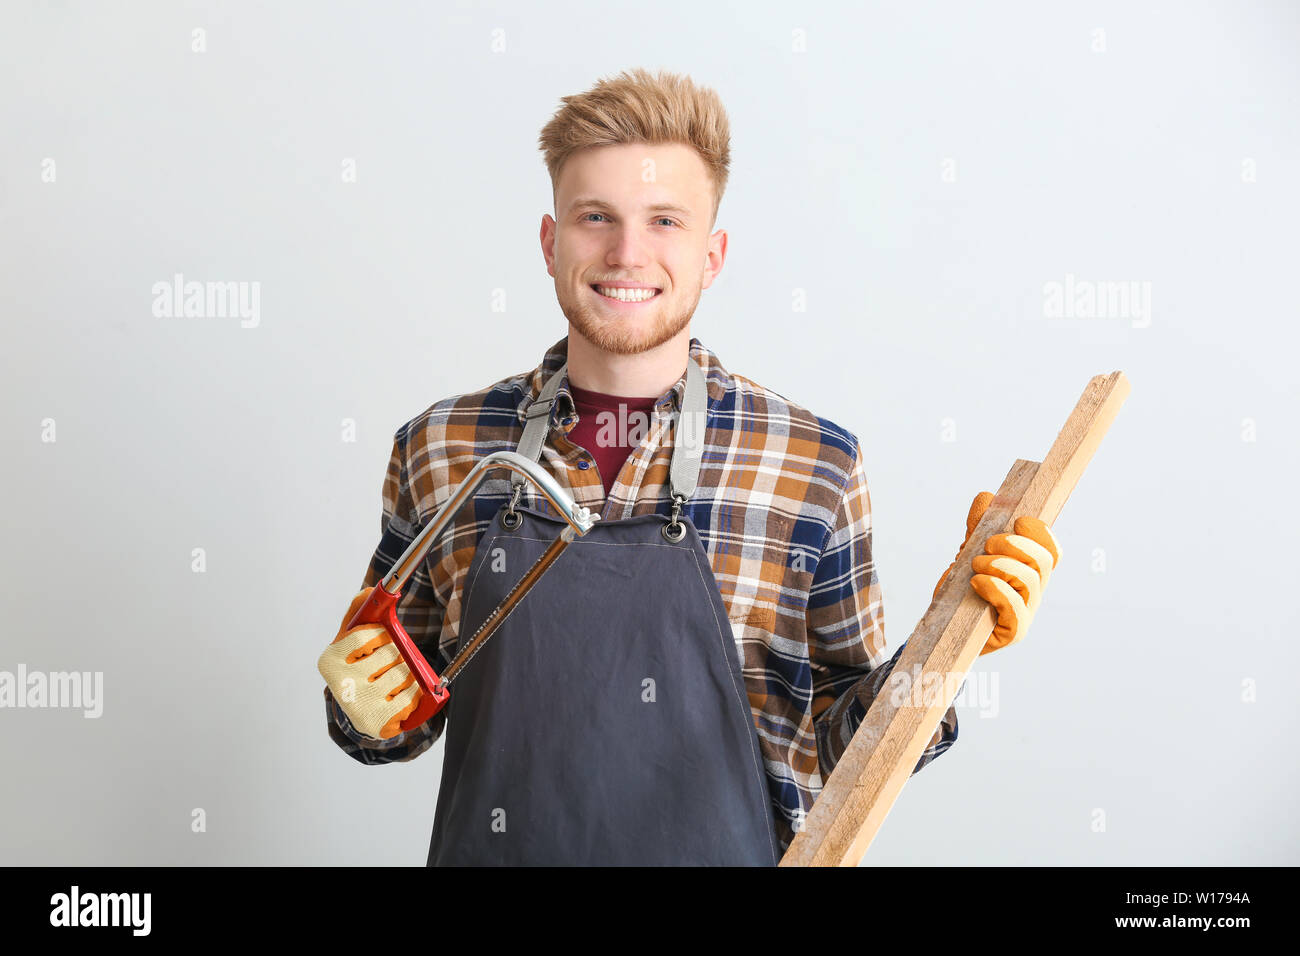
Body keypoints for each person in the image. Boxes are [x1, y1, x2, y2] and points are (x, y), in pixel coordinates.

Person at [317, 68, 1060, 865]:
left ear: (712, 255)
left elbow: (843, 755)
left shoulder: (814, 464)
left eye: (664, 221)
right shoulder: (440, 447)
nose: (626, 253)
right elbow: (388, 730)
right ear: (550, 242)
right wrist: (358, 696)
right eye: (595, 217)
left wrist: (950, 643)